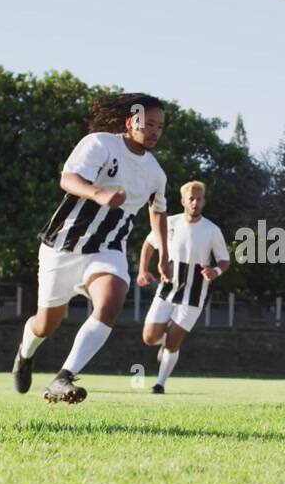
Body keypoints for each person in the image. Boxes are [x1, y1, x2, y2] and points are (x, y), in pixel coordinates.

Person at [12, 93, 171, 404]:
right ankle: (25, 352)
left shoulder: (156, 173)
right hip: (62, 246)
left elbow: (159, 211)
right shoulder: (99, 143)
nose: (155, 131)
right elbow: (68, 179)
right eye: (149, 124)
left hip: (107, 249)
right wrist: (98, 193)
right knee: (46, 324)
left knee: (113, 297)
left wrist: (163, 254)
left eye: (160, 126)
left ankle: (64, 377)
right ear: (131, 122)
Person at [138, 181, 231, 395]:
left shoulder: (212, 230)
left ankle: (160, 384)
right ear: (183, 201)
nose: (195, 203)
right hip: (167, 287)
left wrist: (214, 272)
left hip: (195, 292)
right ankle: (163, 341)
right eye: (191, 199)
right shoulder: (169, 223)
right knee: (149, 338)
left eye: (199, 199)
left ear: (204, 201)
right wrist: (143, 270)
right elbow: (149, 244)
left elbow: (224, 260)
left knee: (174, 341)